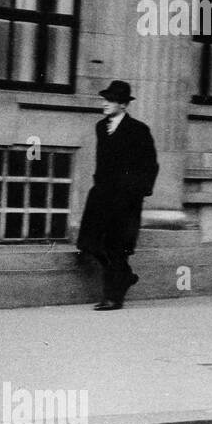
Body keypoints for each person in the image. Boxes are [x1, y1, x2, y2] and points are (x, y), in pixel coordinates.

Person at [76, 80, 159, 311]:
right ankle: (125, 275)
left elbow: (150, 164)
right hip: (102, 194)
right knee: (89, 243)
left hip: (126, 199)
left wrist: (137, 193)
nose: (104, 104)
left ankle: (113, 297)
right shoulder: (101, 127)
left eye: (109, 101)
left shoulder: (138, 130)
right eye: (104, 100)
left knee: (116, 245)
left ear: (123, 105)